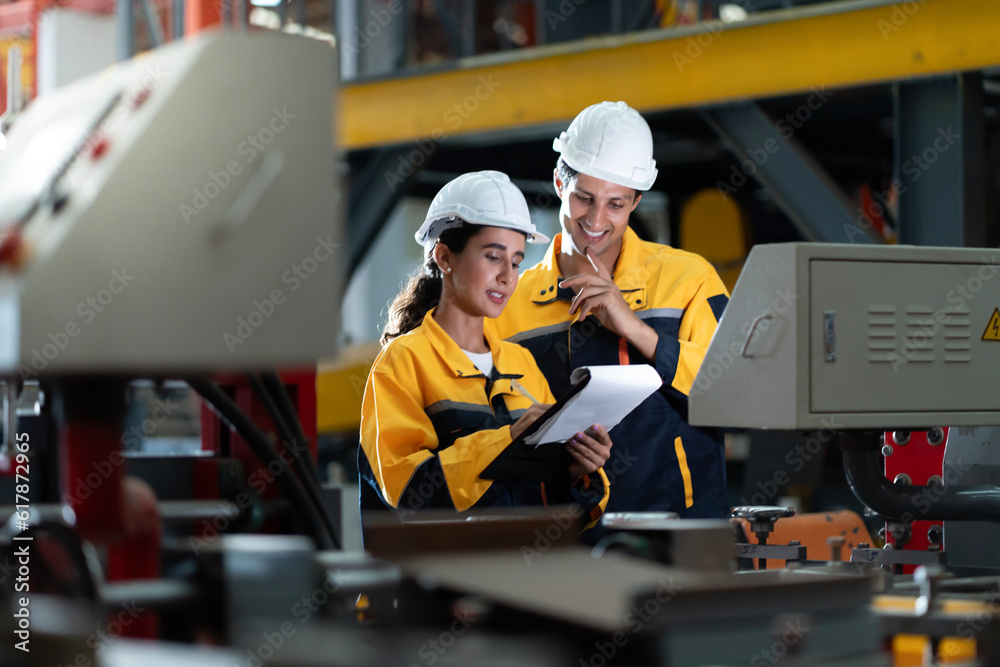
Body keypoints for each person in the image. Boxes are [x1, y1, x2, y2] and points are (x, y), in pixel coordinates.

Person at [489, 102, 730, 518]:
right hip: (559, 542)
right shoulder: (510, 304)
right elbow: (493, 436)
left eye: (615, 204)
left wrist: (638, 331)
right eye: (585, 198)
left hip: (680, 539)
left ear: (636, 201)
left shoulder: (689, 279)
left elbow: (734, 391)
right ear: (559, 184)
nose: (597, 220)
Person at [358, 170, 613, 529]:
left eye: (516, 261)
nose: (508, 277)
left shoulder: (520, 363)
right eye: (493, 257)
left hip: (514, 580)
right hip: (432, 583)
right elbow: (408, 493)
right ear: (445, 257)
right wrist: (506, 441)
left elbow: (545, 508)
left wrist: (577, 470)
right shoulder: (402, 363)